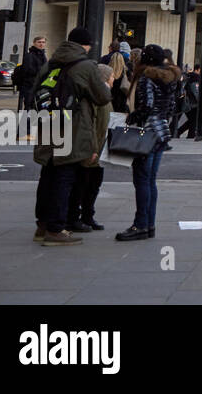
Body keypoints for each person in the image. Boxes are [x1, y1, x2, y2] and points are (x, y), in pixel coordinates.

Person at [33, 27, 111, 247]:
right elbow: (103, 97)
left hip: (49, 124)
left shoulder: (50, 63)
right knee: (64, 176)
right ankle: (56, 229)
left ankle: (42, 224)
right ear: (85, 45)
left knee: (47, 175)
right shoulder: (85, 66)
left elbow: (35, 90)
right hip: (72, 127)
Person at [116, 44, 179, 241]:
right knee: (151, 180)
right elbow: (171, 107)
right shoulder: (169, 79)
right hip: (162, 131)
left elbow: (146, 105)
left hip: (146, 133)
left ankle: (140, 224)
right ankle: (149, 224)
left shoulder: (146, 78)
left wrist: (132, 118)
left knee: (142, 180)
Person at [66, 61, 114, 234]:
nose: (114, 78)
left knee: (93, 184)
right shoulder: (97, 95)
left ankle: (87, 215)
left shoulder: (103, 94)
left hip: (99, 146)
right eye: (112, 76)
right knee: (84, 184)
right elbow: (93, 123)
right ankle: (77, 216)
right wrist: (93, 147)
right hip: (93, 147)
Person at [16, 34, 46, 120]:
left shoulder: (43, 55)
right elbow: (27, 71)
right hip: (30, 86)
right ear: (34, 43)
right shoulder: (30, 55)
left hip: (39, 87)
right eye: (39, 42)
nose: (41, 44)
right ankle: (23, 130)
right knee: (29, 108)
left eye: (43, 42)